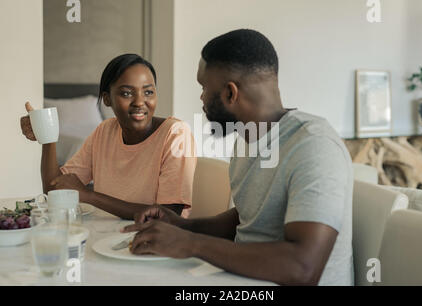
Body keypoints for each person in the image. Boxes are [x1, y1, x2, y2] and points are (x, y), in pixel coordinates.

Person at [121, 30, 354, 285]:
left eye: (203, 87)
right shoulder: (247, 138)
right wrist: (181, 227)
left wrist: (191, 244)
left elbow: (302, 268)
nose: (201, 97)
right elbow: (247, 219)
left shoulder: (314, 145)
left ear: (230, 94)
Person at [20, 54, 196, 219]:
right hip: (107, 237)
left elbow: (168, 215)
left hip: (155, 243)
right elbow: (55, 190)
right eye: (127, 93)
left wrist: (89, 195)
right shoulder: (105, 131)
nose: (140, 102)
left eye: (148, 92)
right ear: (107, 99)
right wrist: (47, 136)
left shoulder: (176, 134)